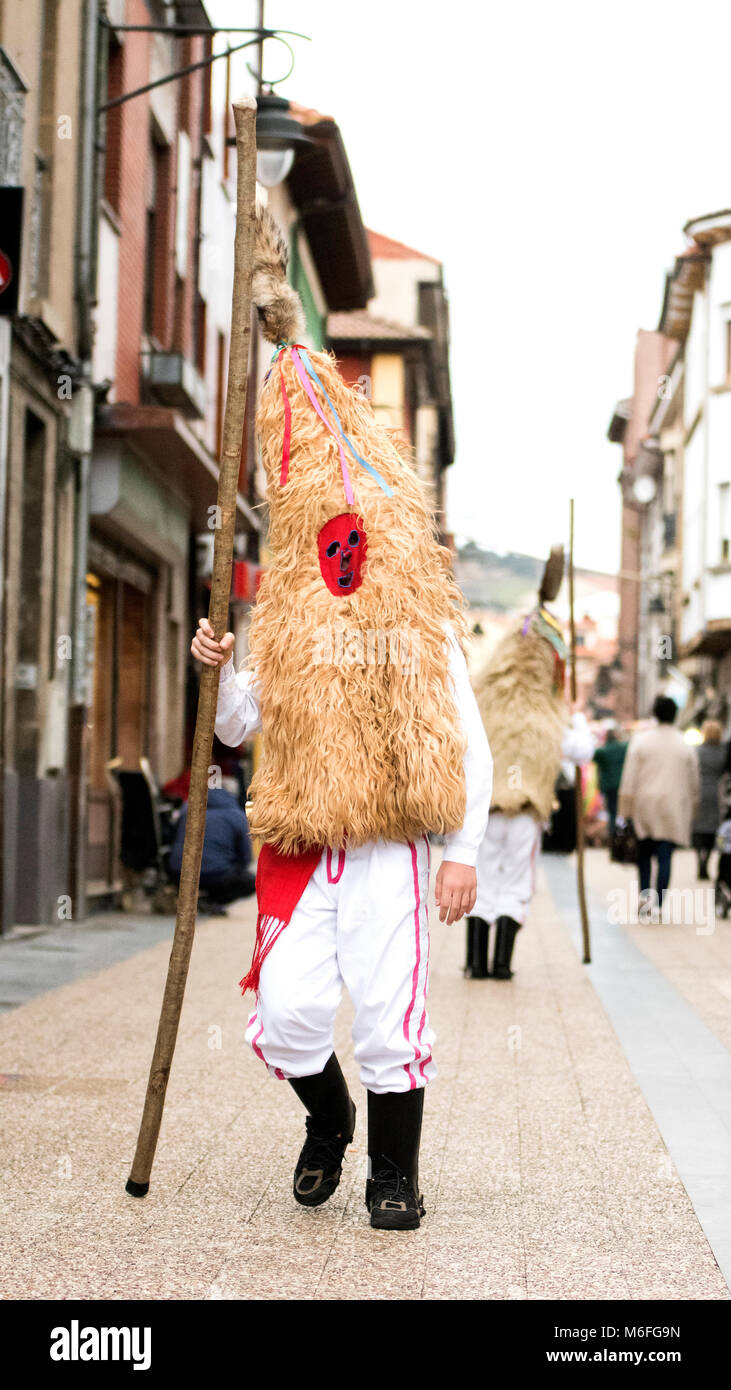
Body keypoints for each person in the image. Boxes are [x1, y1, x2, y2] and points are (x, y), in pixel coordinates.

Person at [191, 206, 492, 1232]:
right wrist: (224, 670)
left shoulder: (421, 620)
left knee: (390, 1021)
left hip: (391, 848)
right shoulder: (281, 613)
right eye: (330, 542)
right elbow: (237, 732)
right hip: (299, 843)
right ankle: (327, 1122)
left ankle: (392, 1176)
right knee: (284, 1015)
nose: (341, 555)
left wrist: (462, 850)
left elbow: (467, 734)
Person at [466, 548, 594, 980]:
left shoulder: (485, 702)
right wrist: (574, 716)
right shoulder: (550, 713)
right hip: (526, 811)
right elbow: (582, 751)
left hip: (484, 810)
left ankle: (474, 962)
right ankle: (502, 963)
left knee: (482, 878)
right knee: (515, 881)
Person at [618, 695, 700, 912]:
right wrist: (693, 809)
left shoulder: (641, 741)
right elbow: (694, 782)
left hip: (644, 805)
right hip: (673, 806)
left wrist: (625, 808)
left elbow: (629, 778)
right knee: (665, 856)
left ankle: (645, 900)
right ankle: (660, 904)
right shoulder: (684, 744)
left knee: (644, 855)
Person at [168, 781, 256, 912]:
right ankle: (211, 901)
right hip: (217, 875)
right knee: (251, 882)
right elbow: (246, 857)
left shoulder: (188, 808)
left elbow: (173, 838)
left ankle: (191, 898)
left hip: (179, 872)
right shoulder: (236, 815)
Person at [692, 719, 726, 880]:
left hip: (699, 791)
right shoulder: (723, 752)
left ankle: (700, 858)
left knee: (698, 828)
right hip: (717, 793)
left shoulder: (696, 751)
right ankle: (708, 860)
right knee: (713, 830)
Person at [593, 725, 628, 839]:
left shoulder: (603, 751)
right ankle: (620, 834)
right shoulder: (623, 748)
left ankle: (613, 835)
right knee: (622, 811)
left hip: (609, 786)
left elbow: (592, 755)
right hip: (622, 784)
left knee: (612, 811)